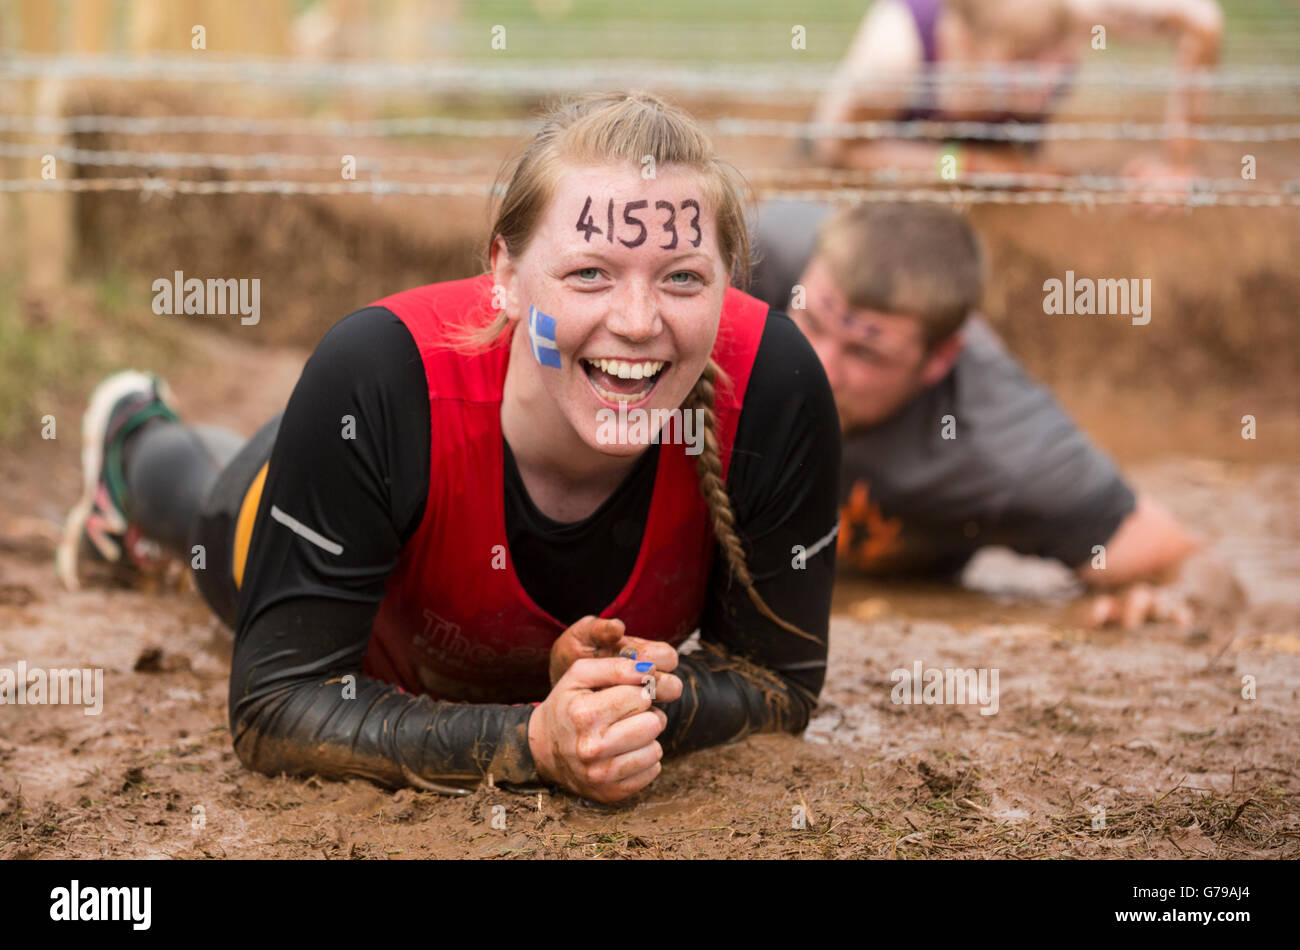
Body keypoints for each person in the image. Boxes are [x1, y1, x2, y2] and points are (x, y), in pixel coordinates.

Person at [56, 92, 842, 803]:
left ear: (730, 285)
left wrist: (619, 698)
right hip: (354, 467)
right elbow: (274, 705)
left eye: (681, 279)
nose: (638, 321)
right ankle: (133, 438)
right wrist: (535, 739)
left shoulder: (773, 387)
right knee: (206, 506)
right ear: (504, 275)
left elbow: (780, 682)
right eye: (590, 273)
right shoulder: (375, 376)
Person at [749, 199, 1200, 628]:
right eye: (810, 322)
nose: (818, 366)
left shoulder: (1008, 448)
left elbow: (1183, 561)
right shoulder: (750, 261)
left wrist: (1171, 600)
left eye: (864, 353)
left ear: (940, 359)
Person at [809, 0, 1223, 176]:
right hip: (914, 146)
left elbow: (1203, 20)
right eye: (1022, 63)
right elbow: (834, 145)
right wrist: (980, 167)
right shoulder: (895, 55)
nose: (1045, 84)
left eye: (1056, 55)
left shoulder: (1078, 11)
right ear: (967, 44)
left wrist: (1177, 164)